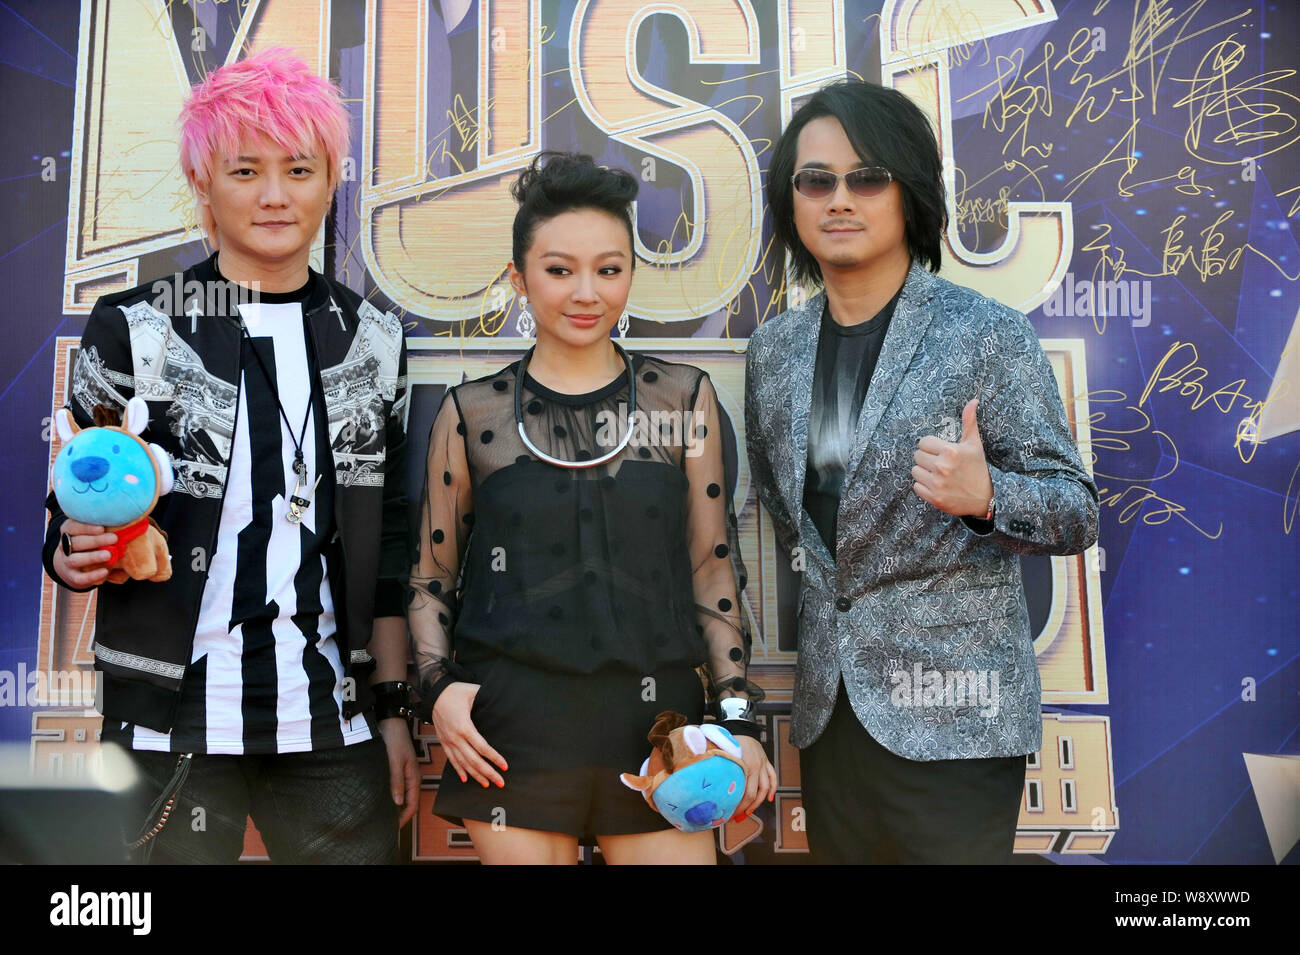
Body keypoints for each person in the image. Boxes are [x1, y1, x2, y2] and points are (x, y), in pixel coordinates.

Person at [41, 48, 417, 864]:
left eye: (300, 168)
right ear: (204, 183)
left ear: (331, 181)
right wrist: (72, 551)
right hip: (168, 713)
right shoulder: (133, 327)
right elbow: (79, 497)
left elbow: (387, 537)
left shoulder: (375, 339)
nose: (276, 194)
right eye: (245, 169)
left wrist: (392, 706)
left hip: (331, 717)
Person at [745, 80, 1100, 864]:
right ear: (793, 201)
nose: (840, 199)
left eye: (866, 178)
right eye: (816, 180)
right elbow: (790, 517)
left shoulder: (985, 334)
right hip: (833, 720)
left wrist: (987, 498)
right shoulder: (772, 352)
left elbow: (1077, 511)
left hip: (957, 724)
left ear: (910, 194)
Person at [408, 152, 776, 865]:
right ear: (519, 278)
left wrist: (736, 715)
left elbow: (712, 569)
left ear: (631, 274)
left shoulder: (682, 399)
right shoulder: (471, 413)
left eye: (609, 269)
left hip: (659, 726)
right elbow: (431, 577)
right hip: (512, 727)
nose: (586, 292)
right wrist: (439, 690)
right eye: (558, 269)